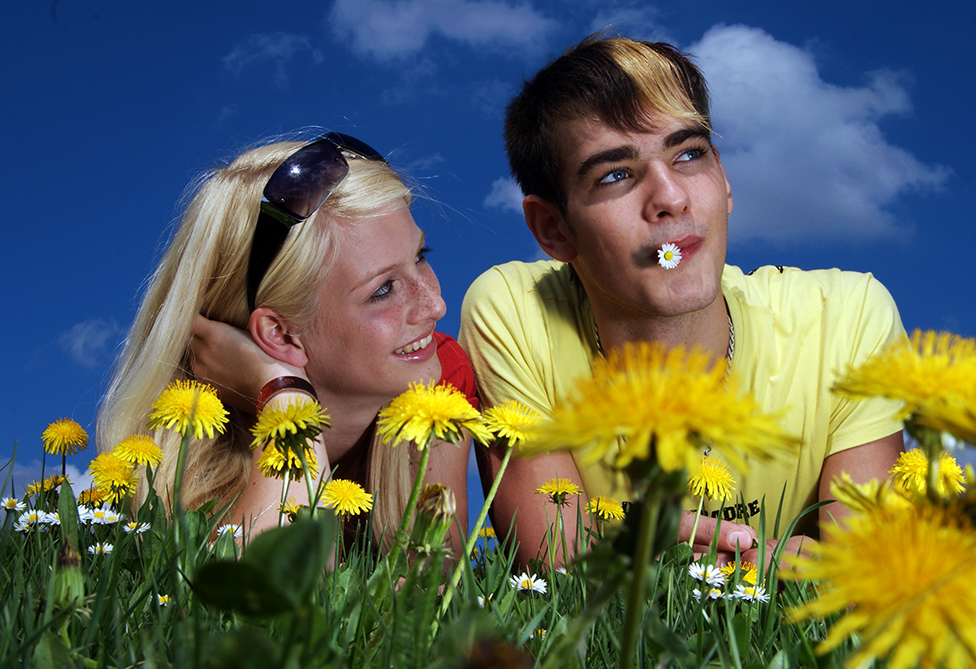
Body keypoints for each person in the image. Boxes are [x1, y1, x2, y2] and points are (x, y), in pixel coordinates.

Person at [460, 35, 904, 567]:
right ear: (553, 229)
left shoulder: (848, 316)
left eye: (689, 154)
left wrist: (640, 558)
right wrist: (792, 563)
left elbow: (869, 582)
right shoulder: (514, 311)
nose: (670, 198)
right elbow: (560, 570)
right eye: (616, 175)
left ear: (724, 178)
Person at [97, 131, 474, 550]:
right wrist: (281, 390)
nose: (435, 305)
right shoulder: (184, 457)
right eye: (382, 289)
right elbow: (271, 596)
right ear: (280, 334)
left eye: (421, 256)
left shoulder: (436, 374)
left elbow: (432, 580)